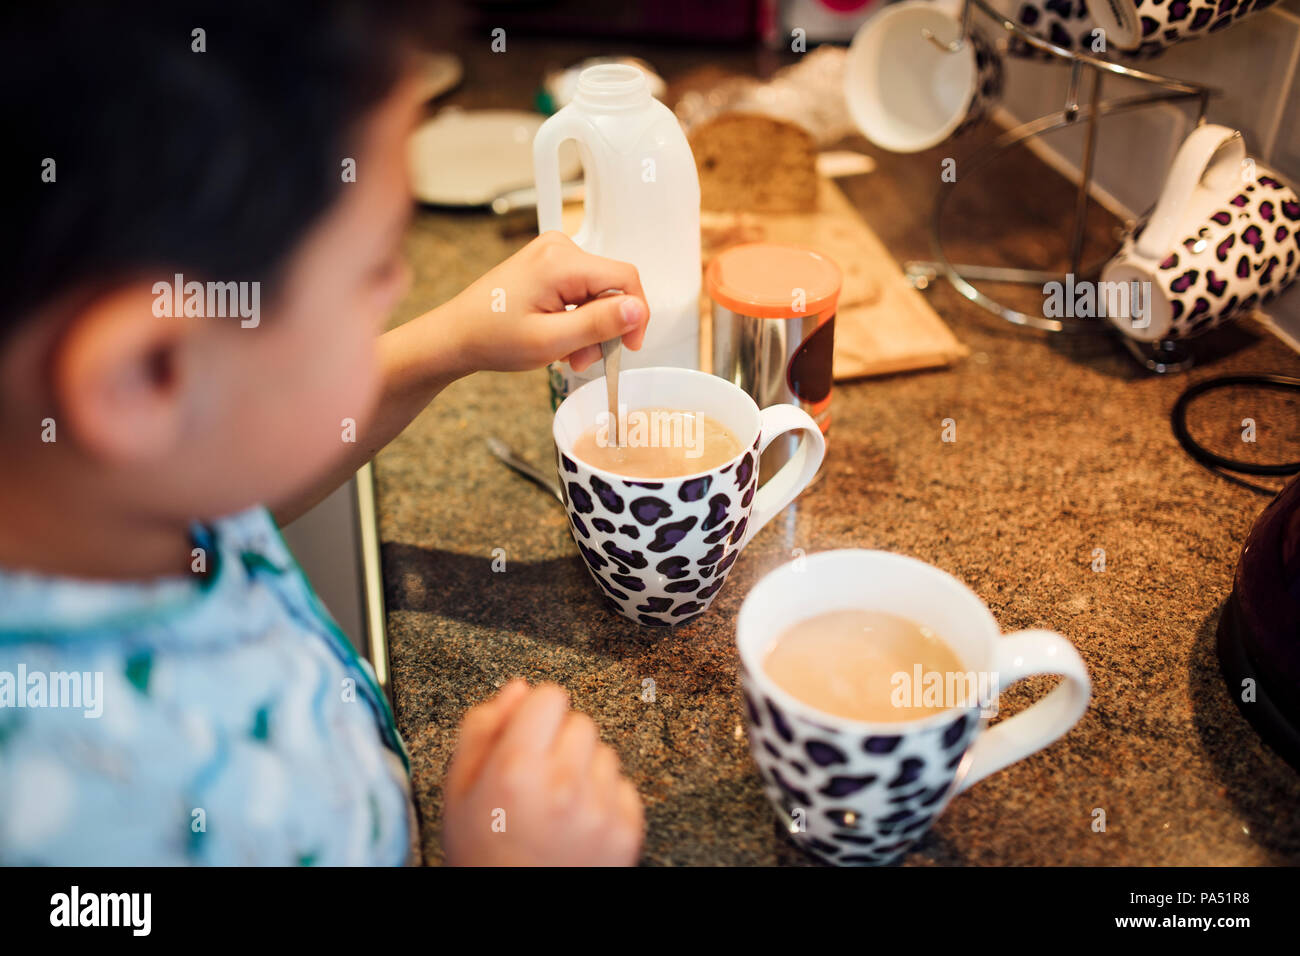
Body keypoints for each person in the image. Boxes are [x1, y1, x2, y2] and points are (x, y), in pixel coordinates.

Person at [0, 0, 646, 865]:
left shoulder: (109, 495)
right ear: (146, 373)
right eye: (376, 264)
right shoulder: (92, 811)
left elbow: (239, 503)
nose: (404, 281)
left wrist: (450, 339)